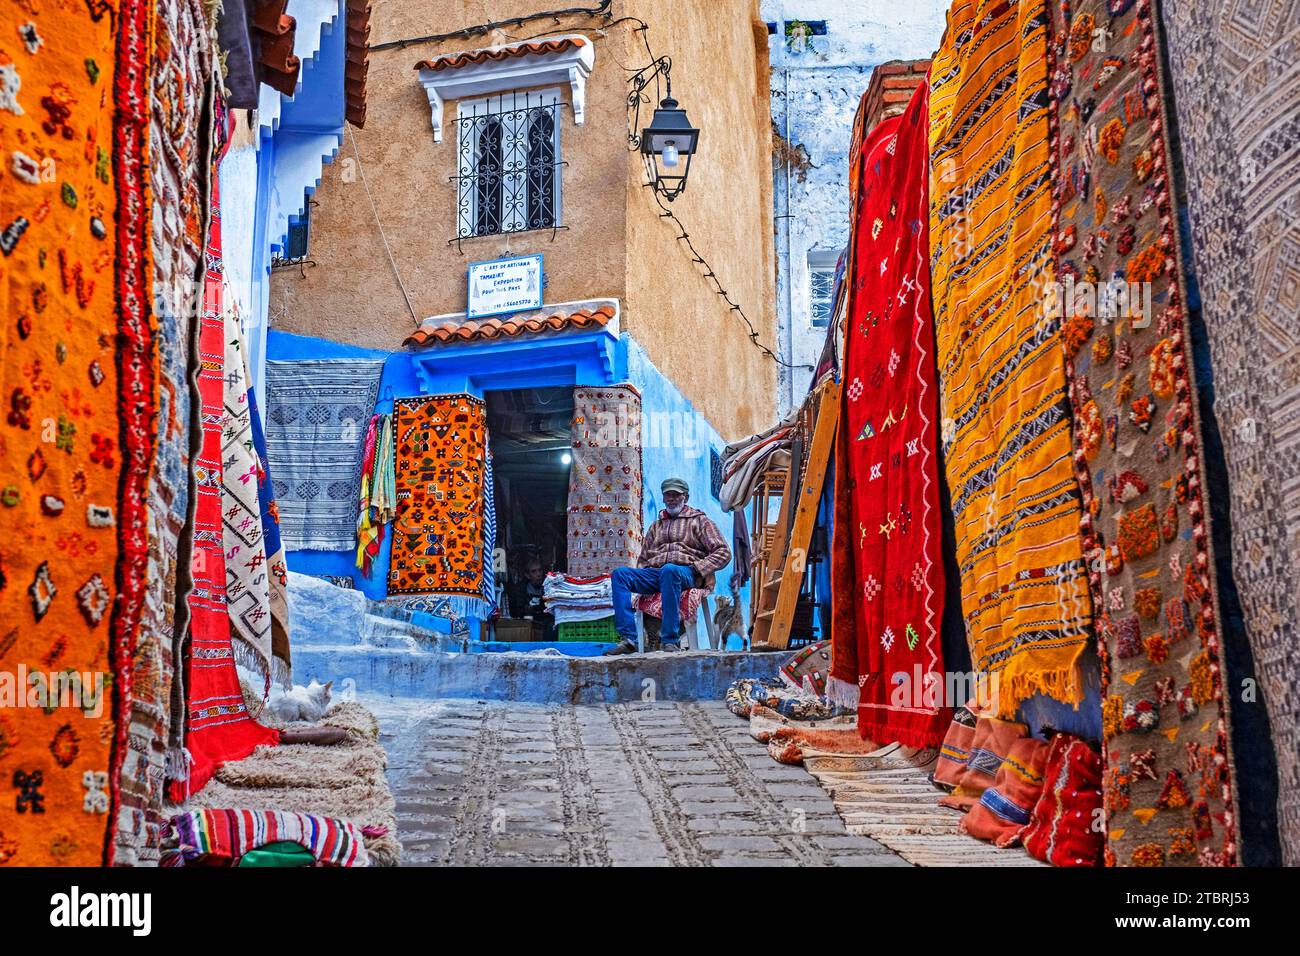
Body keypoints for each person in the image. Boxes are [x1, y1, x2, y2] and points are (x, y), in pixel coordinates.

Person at [604, 477, 732, 655]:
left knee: (670, 570)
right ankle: (629, 638)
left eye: (676, 495)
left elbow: (724, 552)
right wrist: (642, 580)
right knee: (620, 575)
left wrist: (698, 568)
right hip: (657, 574)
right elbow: (643, 558)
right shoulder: (656, 526)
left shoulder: (700, 521)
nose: (671, 499)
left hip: (687, 573)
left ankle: (670, 640)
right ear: (663, 498)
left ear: (685, 497)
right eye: (667, 495)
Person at [507, 555, 554, 640]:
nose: (538, 574)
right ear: (527, 575)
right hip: (526, 624)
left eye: (540, 570)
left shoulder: (548, 588)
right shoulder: (520, 589)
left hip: (544, 624)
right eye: (534, 571)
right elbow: (516, 611)